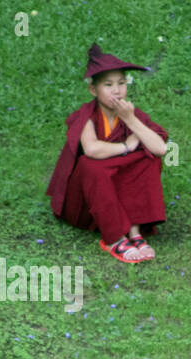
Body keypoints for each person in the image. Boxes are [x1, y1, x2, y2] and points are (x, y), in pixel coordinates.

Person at [46, 44, 169, 263]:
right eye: (108, 85)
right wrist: (126, 147)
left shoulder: (133, 114)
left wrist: (131, 120)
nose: (117, 90)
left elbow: (160, 148)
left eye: (122, 83)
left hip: (116, 185)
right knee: (89, 164)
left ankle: (134, 231)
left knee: (147, 160)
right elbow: (92, 149)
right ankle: (114, 238)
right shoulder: (86, 115)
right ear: (93, 90)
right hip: (86, 201)